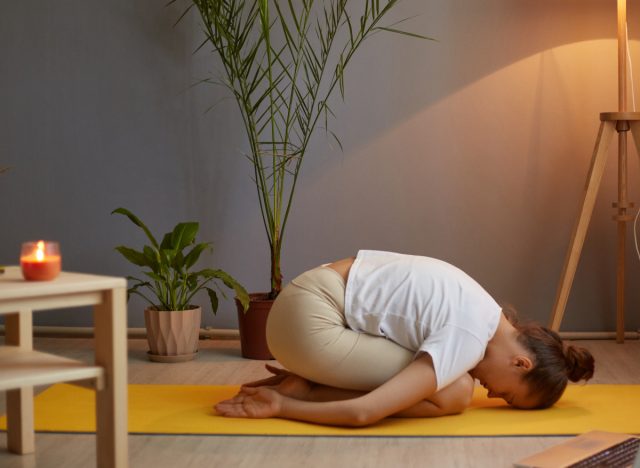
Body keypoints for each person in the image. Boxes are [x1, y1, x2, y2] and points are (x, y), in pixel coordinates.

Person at [215, 250, 595, 427]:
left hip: (305, 305)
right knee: (455, 392)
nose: (492, 395)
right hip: (309, 320)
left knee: (446, 381)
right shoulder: (469, 334)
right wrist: (283, 407)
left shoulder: (482, 307)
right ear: (520, 363)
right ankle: (304, 389)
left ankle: (309, 378)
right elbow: (365, 413)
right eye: (508, 394)